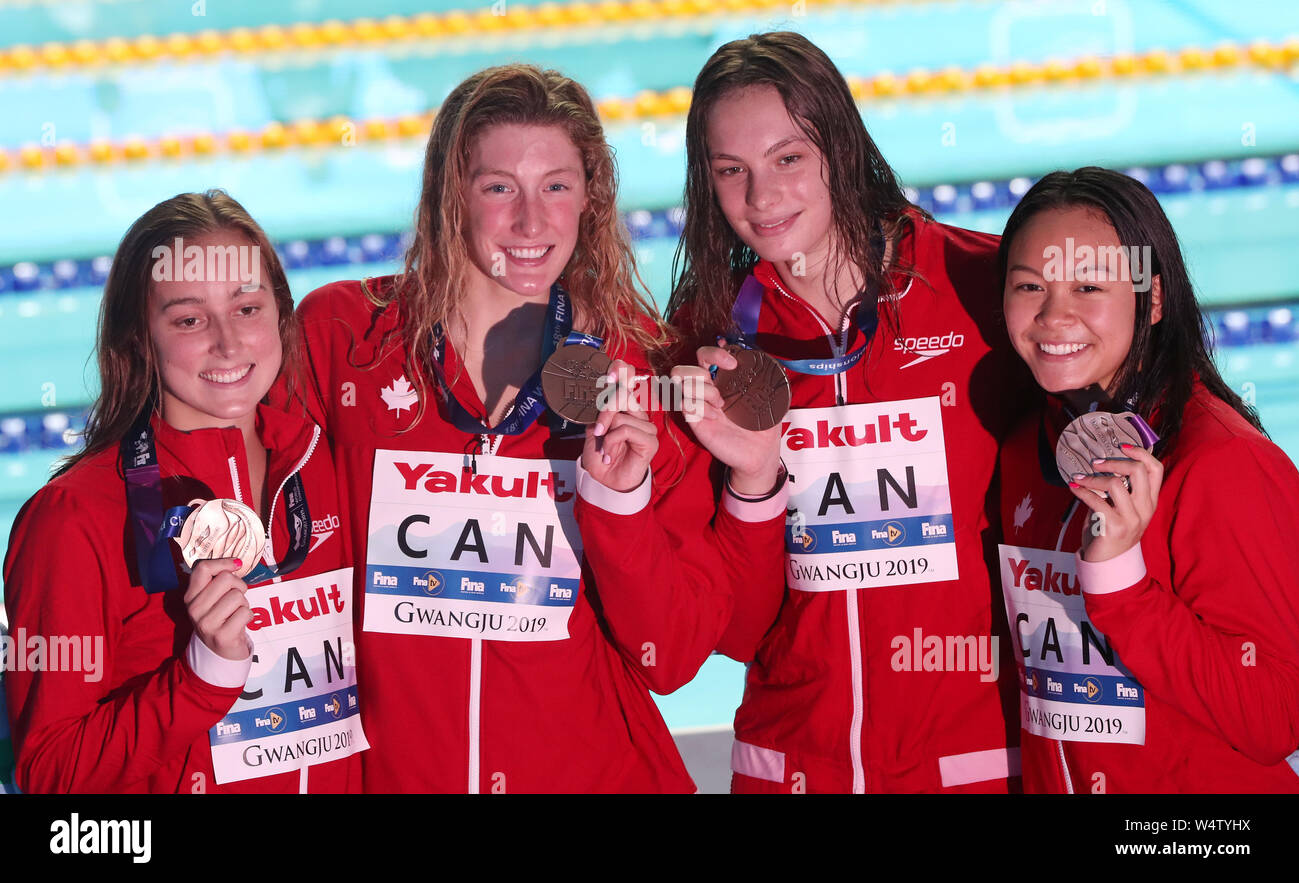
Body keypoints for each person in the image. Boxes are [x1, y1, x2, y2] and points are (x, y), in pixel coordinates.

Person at [290, 64, 785, 793]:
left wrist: (619, 504)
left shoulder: (637, 368)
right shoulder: (344, 337)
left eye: (556, 185)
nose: (531, 222)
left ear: (590, 197)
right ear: (448, 195)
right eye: (499, 188)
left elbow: (673, 657)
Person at [666, 32, 1036, 793]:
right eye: (731, 170)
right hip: (789, 766)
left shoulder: (977, 287)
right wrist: (751, 484)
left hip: (972, 763)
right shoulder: (707, 338)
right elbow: (734, 630)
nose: (761, 198)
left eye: (788, 158)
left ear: (840, 146)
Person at [3, 191, 365, 793]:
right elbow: (49, 772)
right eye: (189, 319)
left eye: (247, 308)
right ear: (140, 336)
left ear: (282, 312)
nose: (228, 343)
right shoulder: (75, 517)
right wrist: (202, 675)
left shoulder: (326, 468)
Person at [997, 166, 1299, 792]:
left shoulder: (1223, 467)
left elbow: (1277, 720)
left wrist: (1122, 588)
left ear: (1152, 299)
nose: (1054, 316)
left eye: (1089, 286)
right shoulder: (1028, 451)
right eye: (1030, 286)